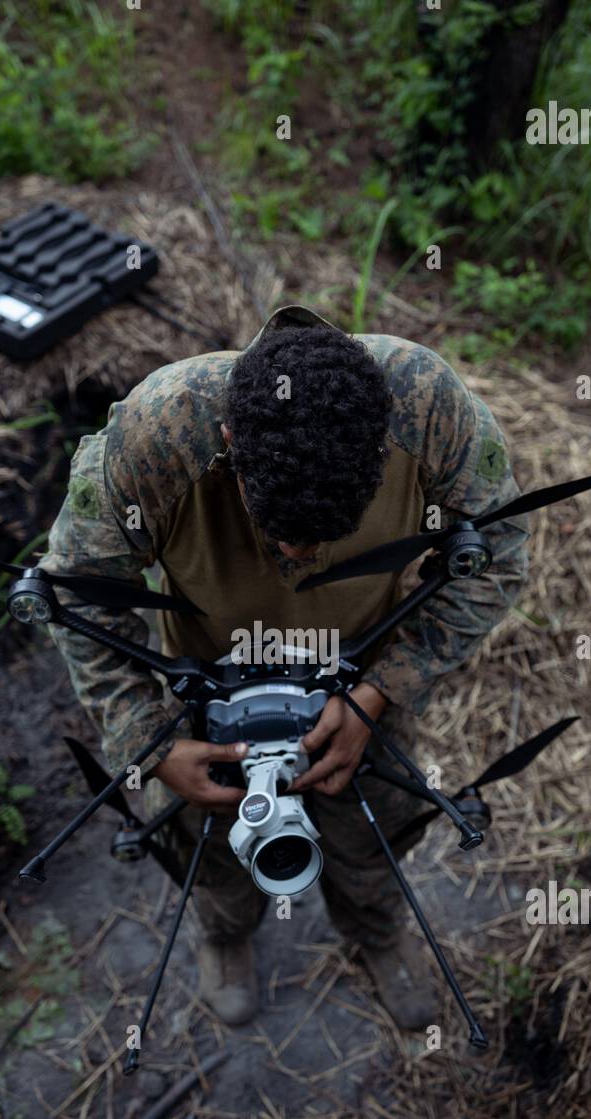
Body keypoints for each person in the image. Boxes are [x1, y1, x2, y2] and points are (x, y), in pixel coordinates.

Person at [43, 304, 529, 1029]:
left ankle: (376, 933)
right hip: (204, 691)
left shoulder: (426, 406)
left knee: (379, 826)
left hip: (361, 673)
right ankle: (225, 932)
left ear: (380, 449)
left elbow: (497, 559)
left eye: (324, 540)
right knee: (206, 828)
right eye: (280, 532)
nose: (298, 560)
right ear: (232, 443)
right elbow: (73, 596)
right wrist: (151, 740)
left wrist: (380, 693)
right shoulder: (161, 433)